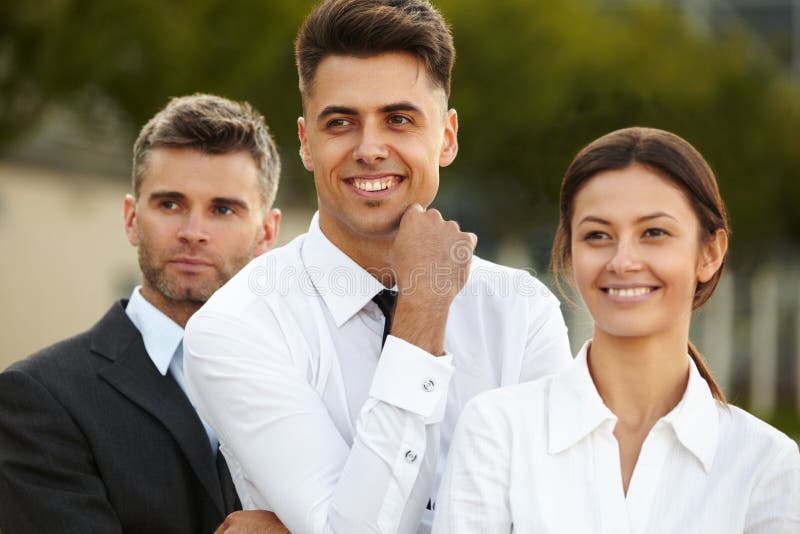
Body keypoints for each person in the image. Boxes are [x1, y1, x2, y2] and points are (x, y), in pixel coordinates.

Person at [182, 1, 572, 533]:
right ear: (305, 143)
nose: (370, 149)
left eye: (399, 119)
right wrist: (424, 310)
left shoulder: (522, 312)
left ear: (447, 136)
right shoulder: (237, 325)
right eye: (340, 122)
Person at [432, 127, 800, 533]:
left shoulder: (767, 465)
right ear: (569, 254)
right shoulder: (497, 431)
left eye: (654, 233)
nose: (623, 261)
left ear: (710, 253)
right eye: (597, 236)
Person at [0, 93, 283, 534]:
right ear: (132, 218)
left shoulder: (302, 378)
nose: (193, 233)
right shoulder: (39, 398)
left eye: (223, 209)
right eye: (170, 204)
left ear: (267, 233)